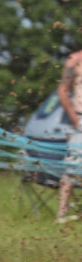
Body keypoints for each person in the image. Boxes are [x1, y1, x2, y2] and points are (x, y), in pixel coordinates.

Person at [55, 50, 82, 223]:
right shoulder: (74, 60)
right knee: (72, 168)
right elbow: (63, 90)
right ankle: (62, 214)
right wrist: (74, 118)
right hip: (81, 120)